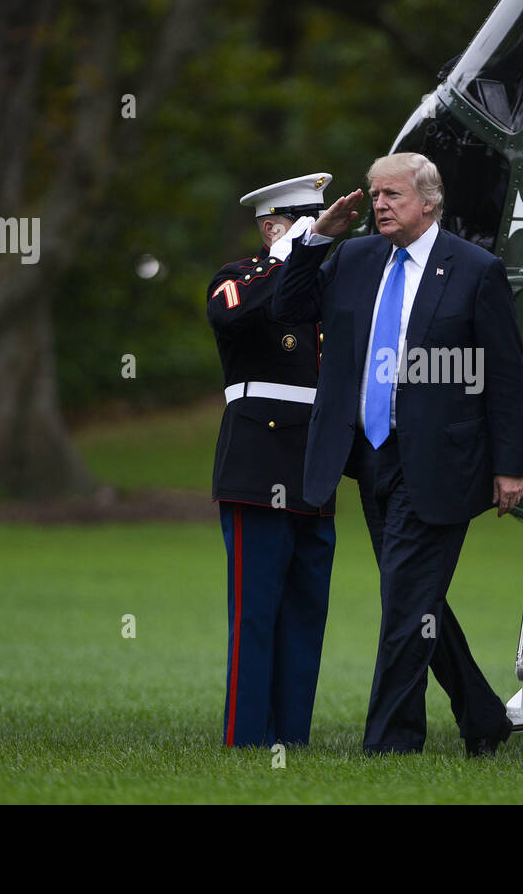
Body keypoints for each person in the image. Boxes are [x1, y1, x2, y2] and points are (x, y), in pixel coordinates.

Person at [272, 152, 523, 756]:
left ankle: (391, 742)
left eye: (391, 195)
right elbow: (287, 310)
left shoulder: (474, 268)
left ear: (429, 201)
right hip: (369, 460)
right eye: (373, 194)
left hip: (442, 464)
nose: (379, 204)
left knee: (406, 601)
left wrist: (509, 465)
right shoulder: (355, 258)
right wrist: (314, 239)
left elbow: (506, 379)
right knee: (415, 598)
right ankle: (483, 716)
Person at [206, 173, 337, 747]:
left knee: (306, 612)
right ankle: (247, 736)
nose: (318, 235)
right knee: (255, 610)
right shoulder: (239, 278)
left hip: (314, 462)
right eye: (303, 225)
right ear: (271, 228)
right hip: (256, 461)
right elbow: (231, 317)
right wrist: (298, 254)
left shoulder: (330, 283)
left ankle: (293, 736)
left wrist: (314, 258)